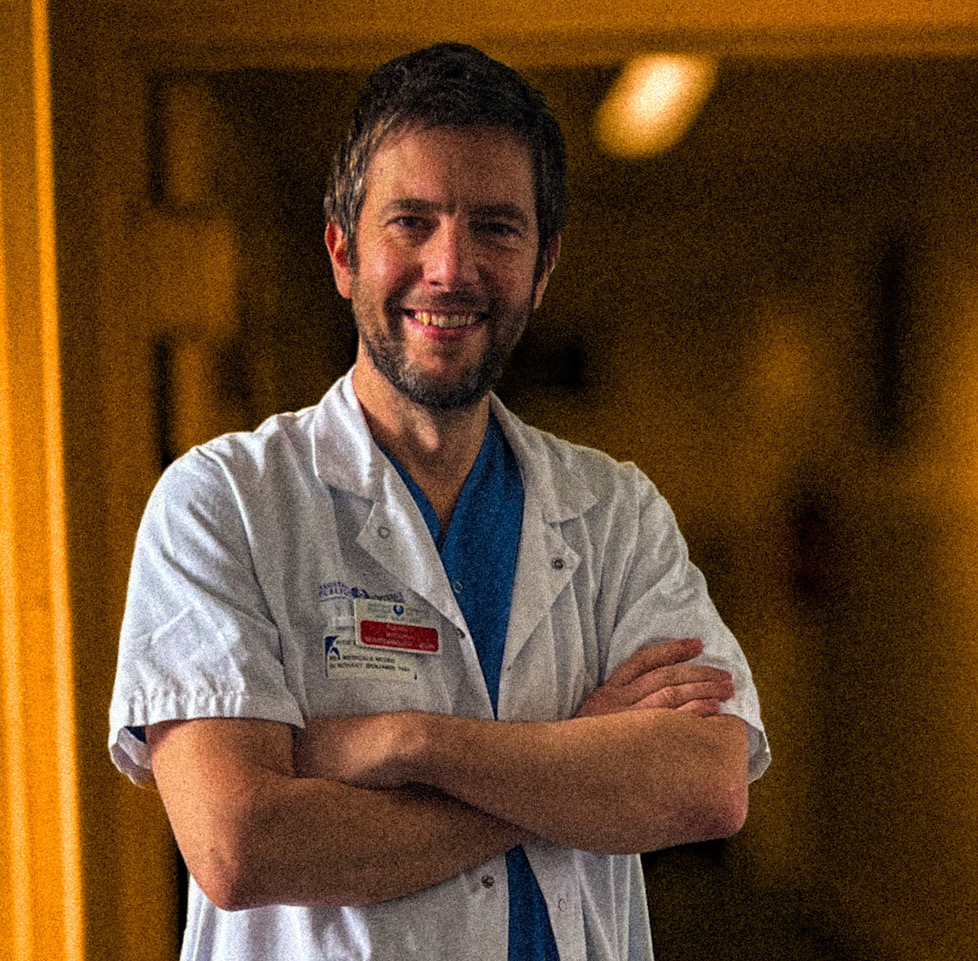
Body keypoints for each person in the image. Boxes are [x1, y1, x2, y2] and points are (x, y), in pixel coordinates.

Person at [109, 42, 770, 961]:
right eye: (411, 221)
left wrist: (403, 743)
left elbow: (704, 781)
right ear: (342, 251)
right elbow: (239, 843)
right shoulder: (224, 503)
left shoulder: (615, 512)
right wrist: (570, 758)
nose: (450, 267)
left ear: (543, 266)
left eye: (497, 227)